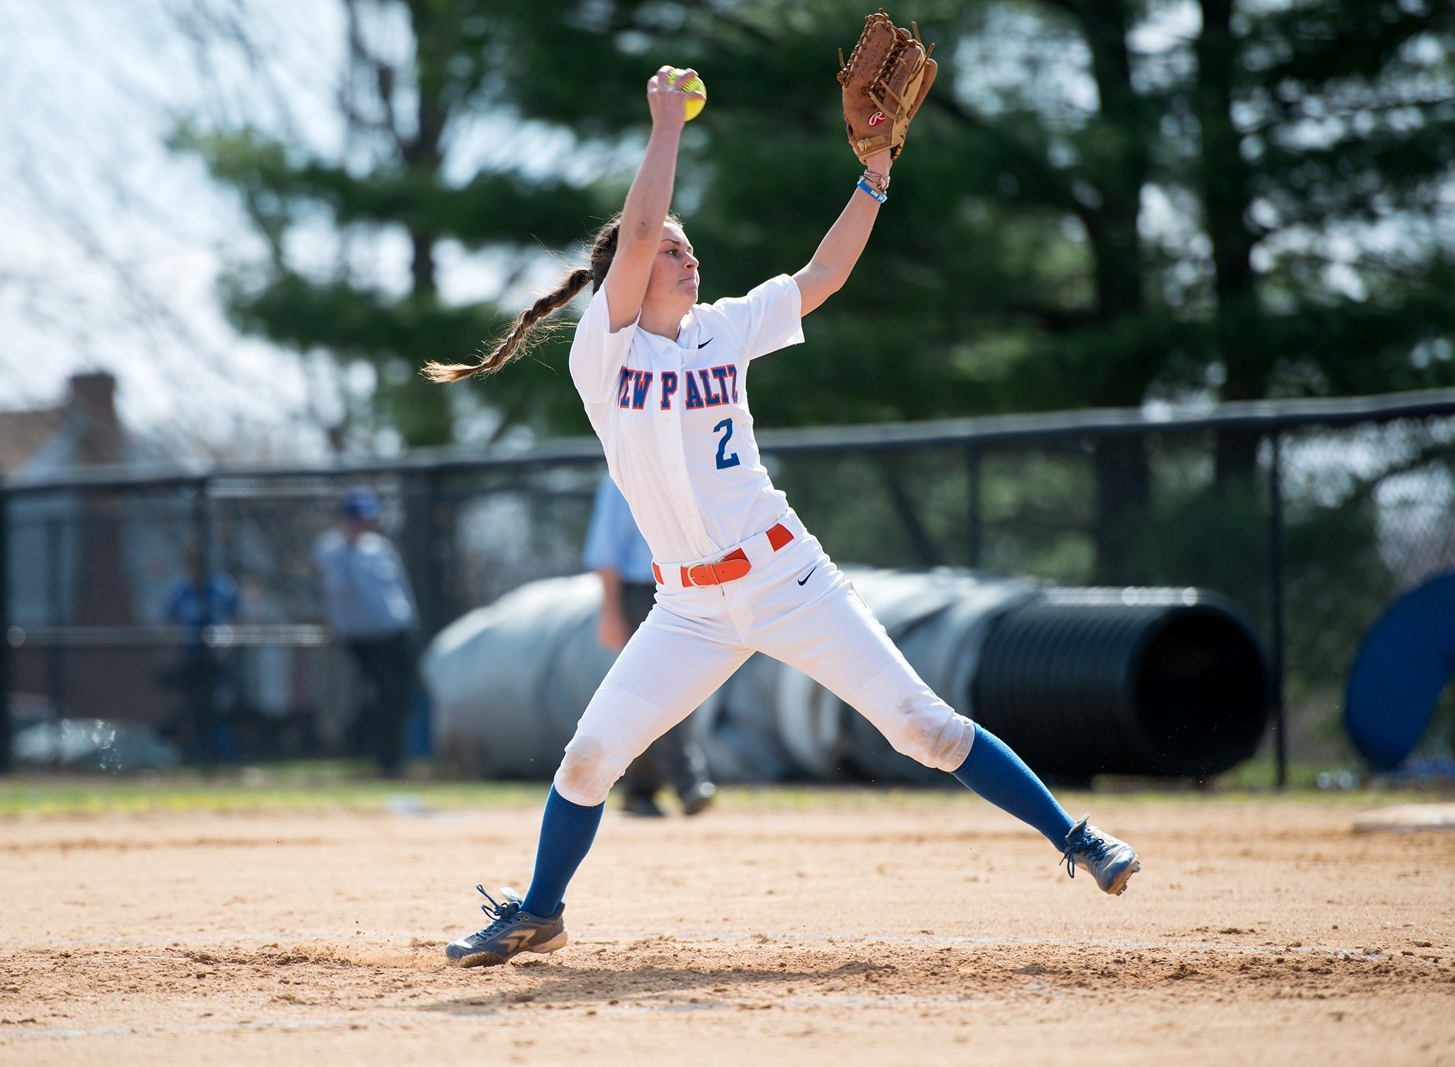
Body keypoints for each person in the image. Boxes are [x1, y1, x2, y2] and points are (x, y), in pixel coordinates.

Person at [424, 66, 1141, 968]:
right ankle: (540, 909)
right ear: (630, 275)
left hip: (786, 575)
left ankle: (1076, 837)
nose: (688, 257)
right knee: (586, 760)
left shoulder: (726, 328)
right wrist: (666, 125)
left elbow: (825, 271)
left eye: (689, 251)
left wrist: (875, 174)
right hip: (686, 608)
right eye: (673, 252)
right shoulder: (603, 357)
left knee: (923, 727)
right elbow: (640, 224)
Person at [583, 472, 717, 818]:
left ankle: (640, 790)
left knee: (681, 686)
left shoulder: (688, 466)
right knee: (648, 690)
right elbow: (605, 552)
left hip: (690, 587)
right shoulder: (622, 474)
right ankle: (686, 782)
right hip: (642, 591)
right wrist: (611, 612)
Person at [312, 487, 420, 776]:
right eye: (356, 517)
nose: (362, 525)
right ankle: (381, 758)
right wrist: (348, 544)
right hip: (363, 637)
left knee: (398, 695)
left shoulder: (380, 547)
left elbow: (399, 588)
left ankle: (393, 760)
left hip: (395, 631)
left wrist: (411, 618)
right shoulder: (331, 549)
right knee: (381, 694)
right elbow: (337, 588)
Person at [162, 541, 242, 767]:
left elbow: (237, 620)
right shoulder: (180, 591)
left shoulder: (221, 588)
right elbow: (172, 624)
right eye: (190, 562)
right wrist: (173, 653)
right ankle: (196, 756)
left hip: (217, 661)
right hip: (191, 659)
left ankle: (225, 756)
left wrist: (225, 649)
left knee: (217, 708)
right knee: (193, 710)